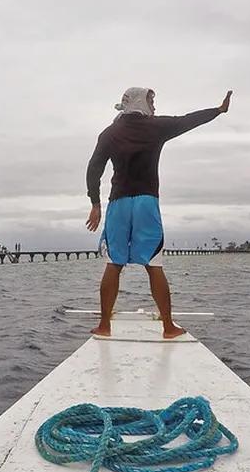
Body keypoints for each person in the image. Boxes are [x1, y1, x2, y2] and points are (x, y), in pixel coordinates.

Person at [85, 87, 232, 338]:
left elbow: (93, 169)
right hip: (146, 202)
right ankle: (168, 327)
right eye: (151, 101)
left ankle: (104, 326)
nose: (154, 107)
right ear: (141, 102)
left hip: (118, 203)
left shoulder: (109, 133)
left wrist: (95, 204)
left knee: (113, 263)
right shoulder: (156, 127)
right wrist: (218, 111)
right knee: (154, 265)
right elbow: (188, 121)